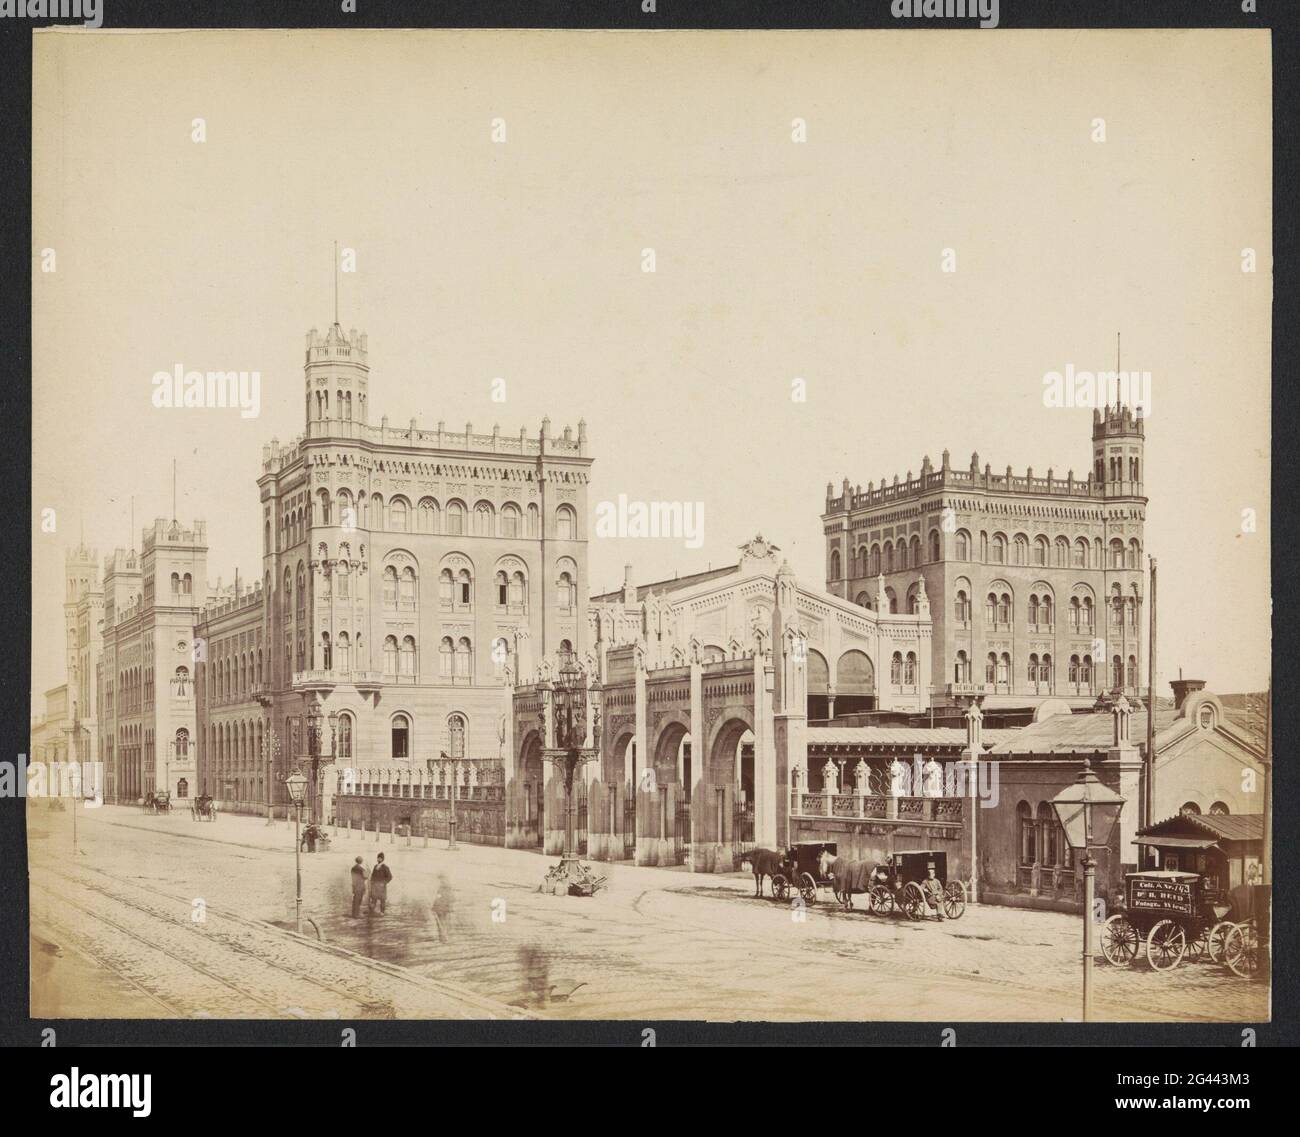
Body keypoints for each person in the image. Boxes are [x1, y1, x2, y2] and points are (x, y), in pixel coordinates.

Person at [432, 873, 455, 943]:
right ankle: (443, 938)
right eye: (440, 879)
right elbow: (438, 897)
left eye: (441, 879)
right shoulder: (446, 887)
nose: (440, 880)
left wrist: (434, 906)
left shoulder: (444, 888)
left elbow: (439, 898)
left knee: (443, 923)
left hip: (442, 908)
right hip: (442, 908)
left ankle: (444, 938)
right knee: (443, 923)